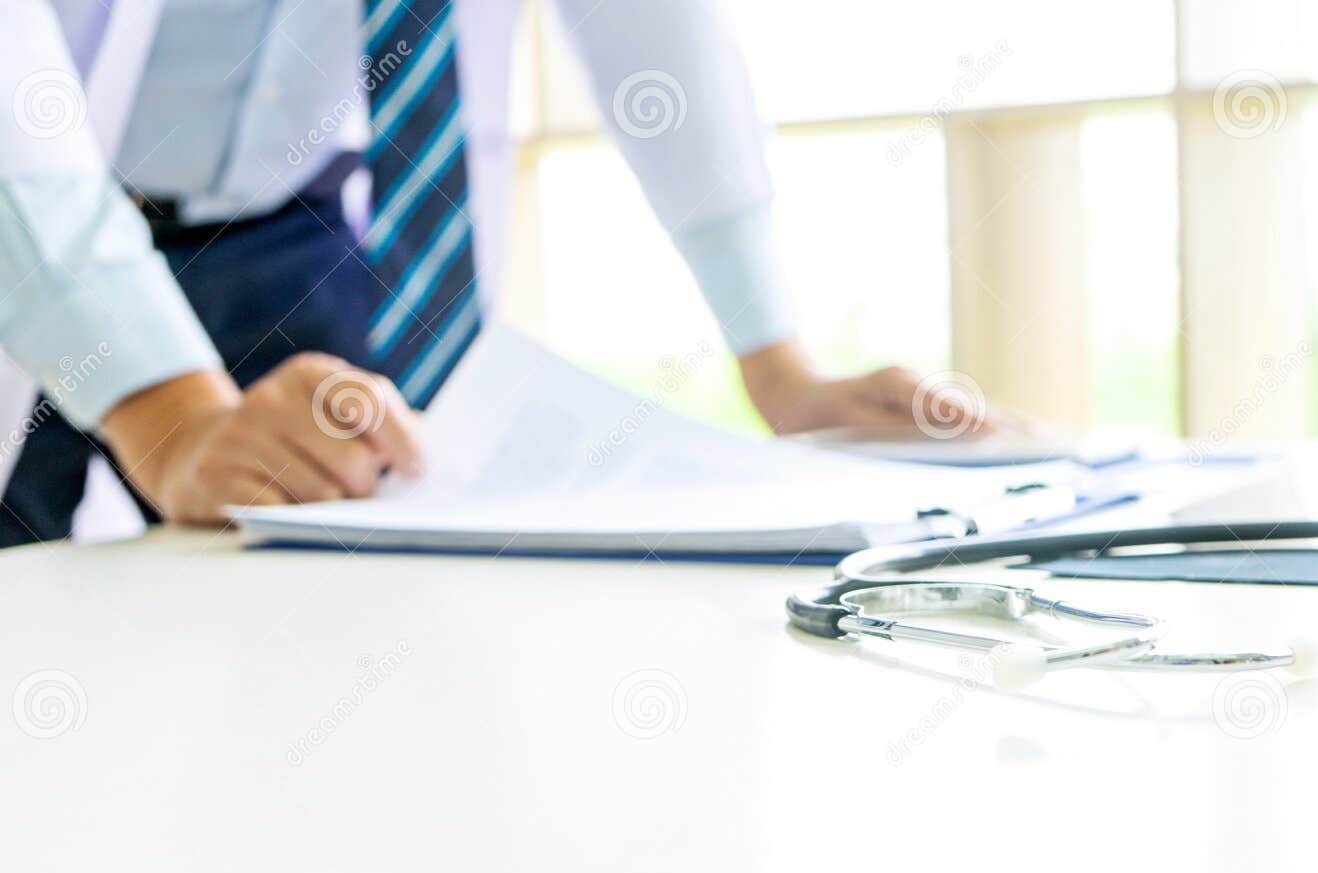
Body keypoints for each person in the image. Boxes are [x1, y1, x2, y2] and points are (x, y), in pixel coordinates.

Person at [0, 0, 966, 548]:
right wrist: (171, 417)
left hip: (286, 224)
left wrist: (779, 364)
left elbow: (651, 30)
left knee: (343, 601)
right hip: (29, 231)